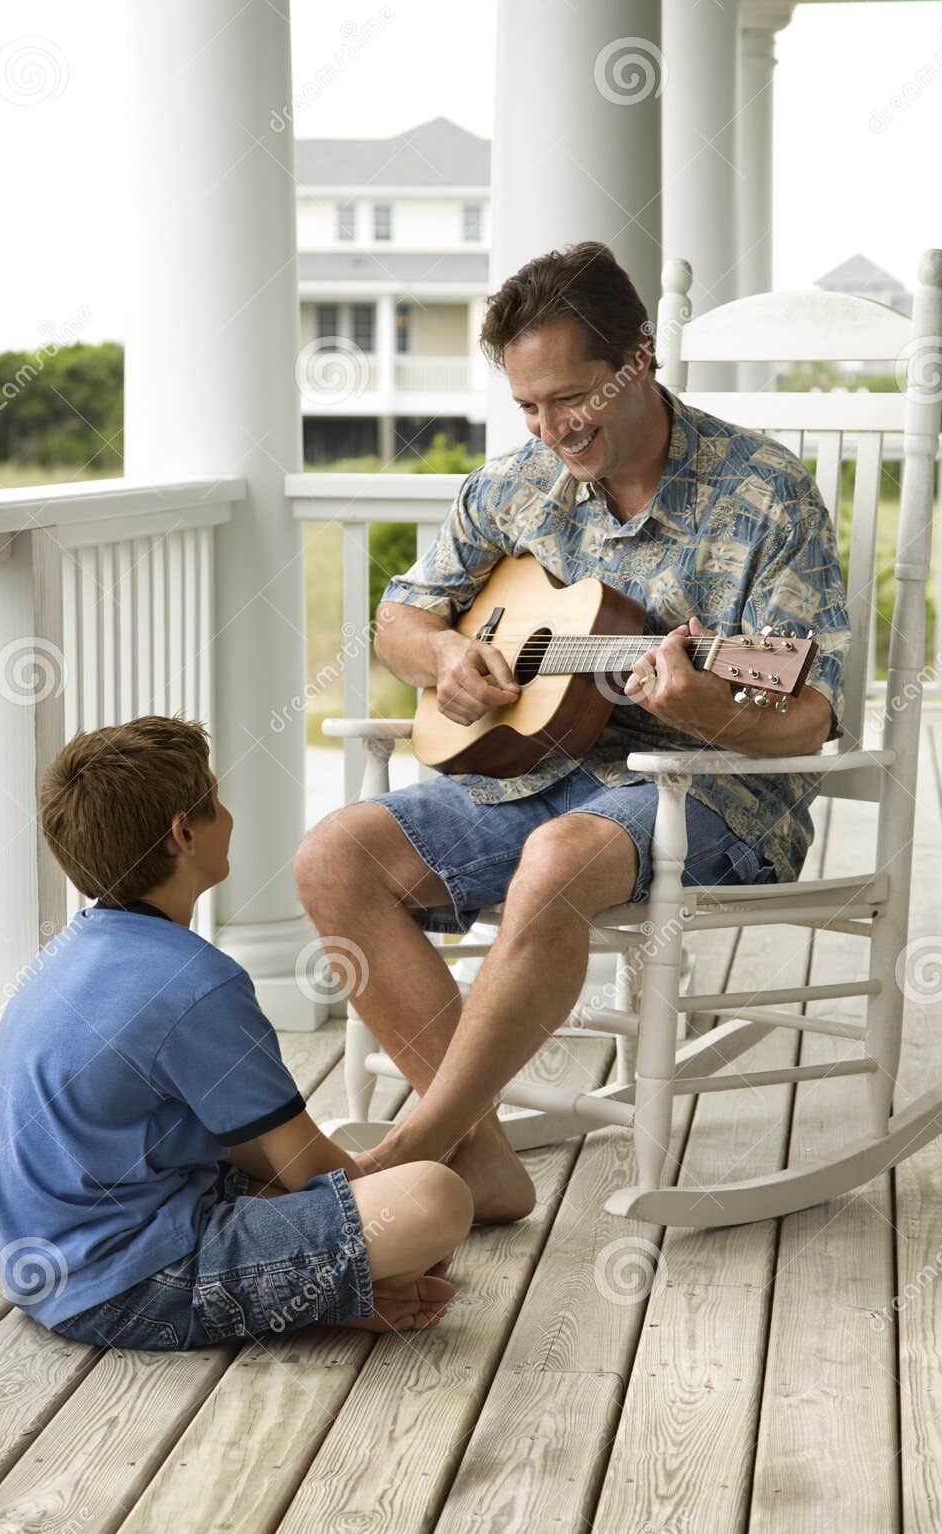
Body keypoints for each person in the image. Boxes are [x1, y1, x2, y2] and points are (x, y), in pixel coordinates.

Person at [295, 240, 852, 1226]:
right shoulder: (514, 487)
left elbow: (809, 712)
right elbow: (399, 616)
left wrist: (708, 709)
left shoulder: (766, 494)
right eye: (527, 407)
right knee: (334, 857)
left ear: (637, 358)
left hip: (710, 795)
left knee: (554, 860)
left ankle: (413, 1143)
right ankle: (482, 1155)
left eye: (571, 398)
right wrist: (443, 663)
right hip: (536, 774)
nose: (551, 428)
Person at [0, 716, 471, 1349]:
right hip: (127, 1287)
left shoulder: (74, 951)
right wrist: (393, 1238)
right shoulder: (193, 982)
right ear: (183, 833)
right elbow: (308, 1168)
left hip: (47, 1269)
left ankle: (327, 1288)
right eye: (216, 797)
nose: (229, 814)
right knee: (434, 1199)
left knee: (342, 1190)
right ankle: (320, 1296)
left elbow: (249, 1146)